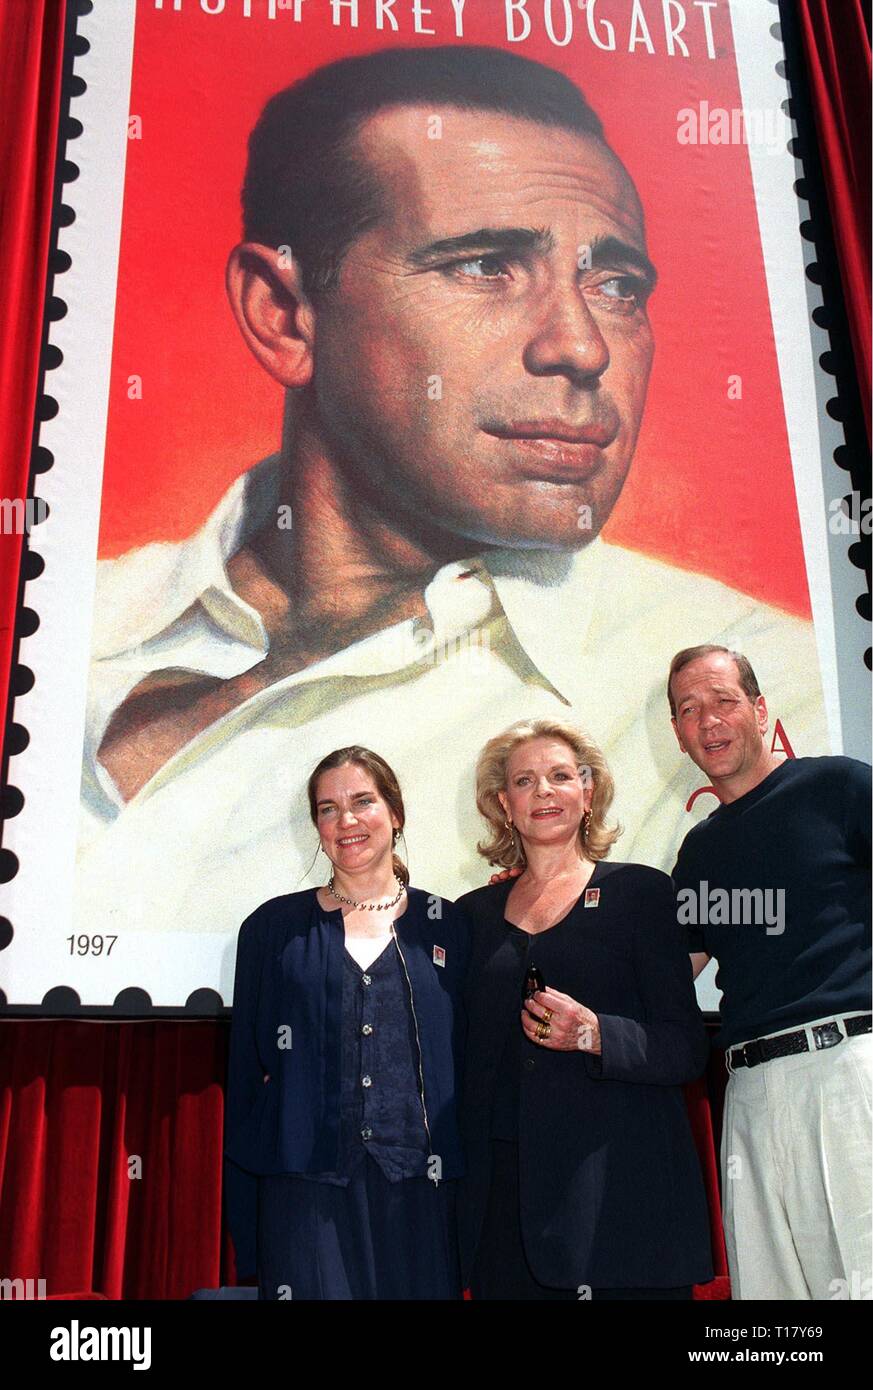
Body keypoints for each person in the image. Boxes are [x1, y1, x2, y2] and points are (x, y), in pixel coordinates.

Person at [75, 46, 829, 952]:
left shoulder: (768, 690)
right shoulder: (68, 629)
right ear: (283, 313)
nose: (582, 347)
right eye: (484, 267)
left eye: (615, 284)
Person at [456, 717, 714, 1299]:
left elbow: (684, 1046)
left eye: (559, 776)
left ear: (588, 791)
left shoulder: (643, 895)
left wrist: (597, 1034)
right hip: (506, 1223)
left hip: (621, 1207)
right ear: (503, 803)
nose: (543, 791)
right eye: (524, 781)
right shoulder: (469, 916)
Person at [223, 745, 469, 1299]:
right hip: (304, 1194)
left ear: (395, 814)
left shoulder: (449, 926)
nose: (347, 820)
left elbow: (469, 1063)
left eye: (363, 801)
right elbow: (247, 1076)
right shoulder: (271, 930)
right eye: (328, 809)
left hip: (422, 1192)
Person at [668, 643, 871, 1301]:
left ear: (759, 710)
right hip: (749, 1094)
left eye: (722, 701)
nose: (708, 722)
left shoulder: (837, 787)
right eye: (688, 710)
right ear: (677, 735)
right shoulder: (698, 851)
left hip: (846, 1073)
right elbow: (671, 967)